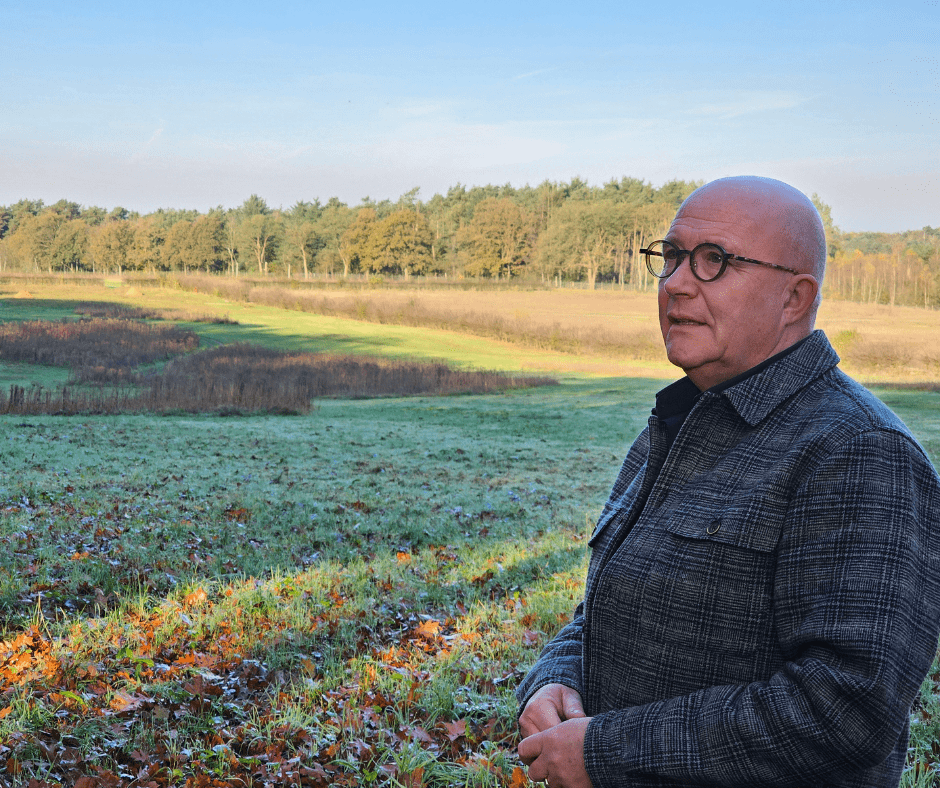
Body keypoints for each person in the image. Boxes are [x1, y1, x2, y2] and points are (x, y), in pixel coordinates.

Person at [516, 176, 940, 788]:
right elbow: (614, 605)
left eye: (715, 260)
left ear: (794, 299)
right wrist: (556, 678)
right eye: (672, 258)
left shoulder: (858, 453)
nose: (678, 283)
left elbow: (844, 713)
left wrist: (607, 753)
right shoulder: (684, 420)